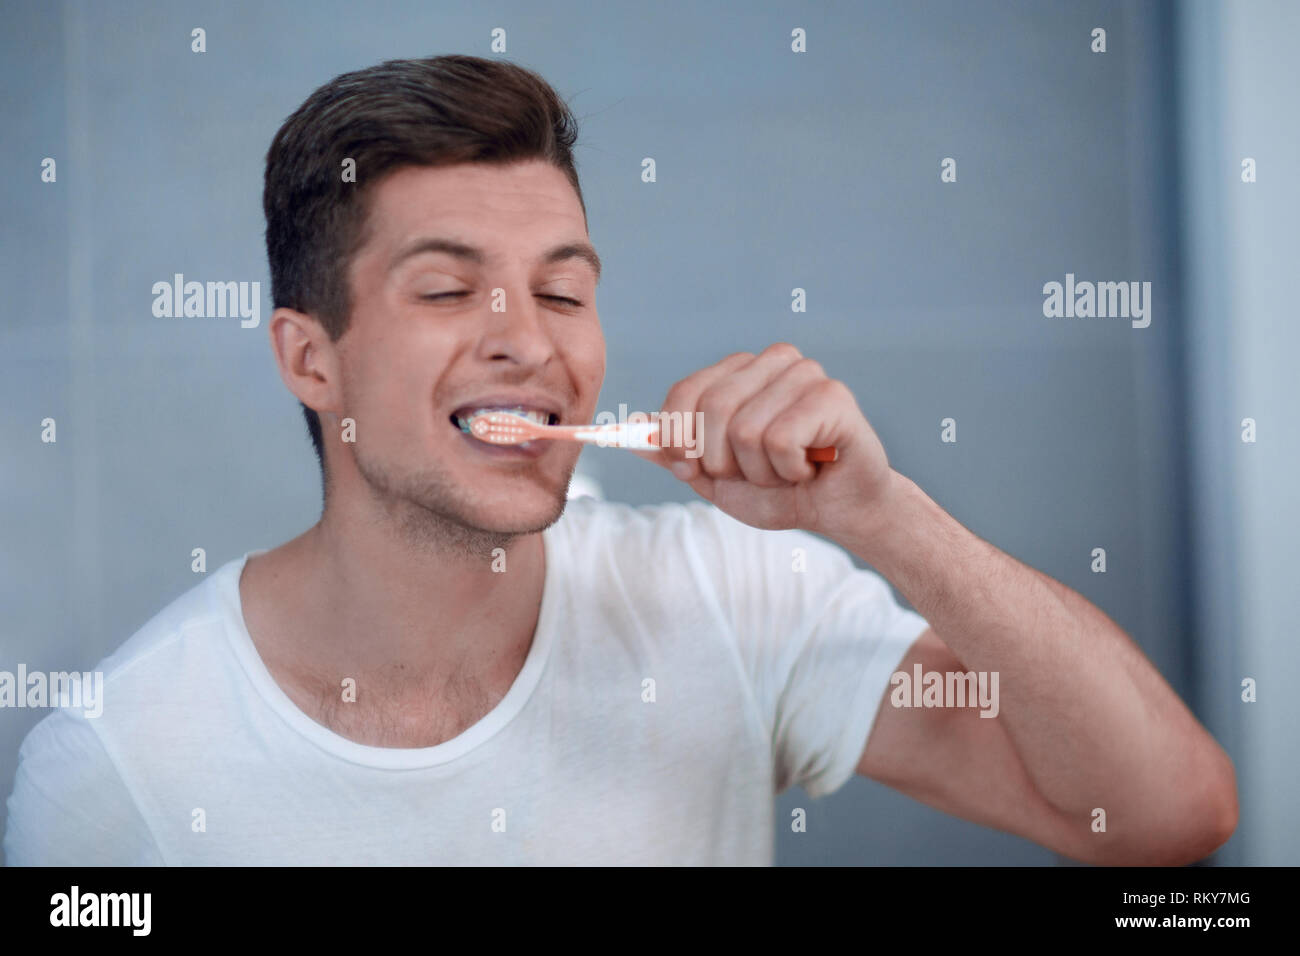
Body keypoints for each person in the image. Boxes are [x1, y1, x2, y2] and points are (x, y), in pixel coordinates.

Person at [5, 54, 1237, 866]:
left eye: (562, 290)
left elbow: (1165, 814)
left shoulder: (729, 596)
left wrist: (889, 517)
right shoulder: (120, 764)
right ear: (308, 359)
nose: (526, 340)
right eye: (447, 288)